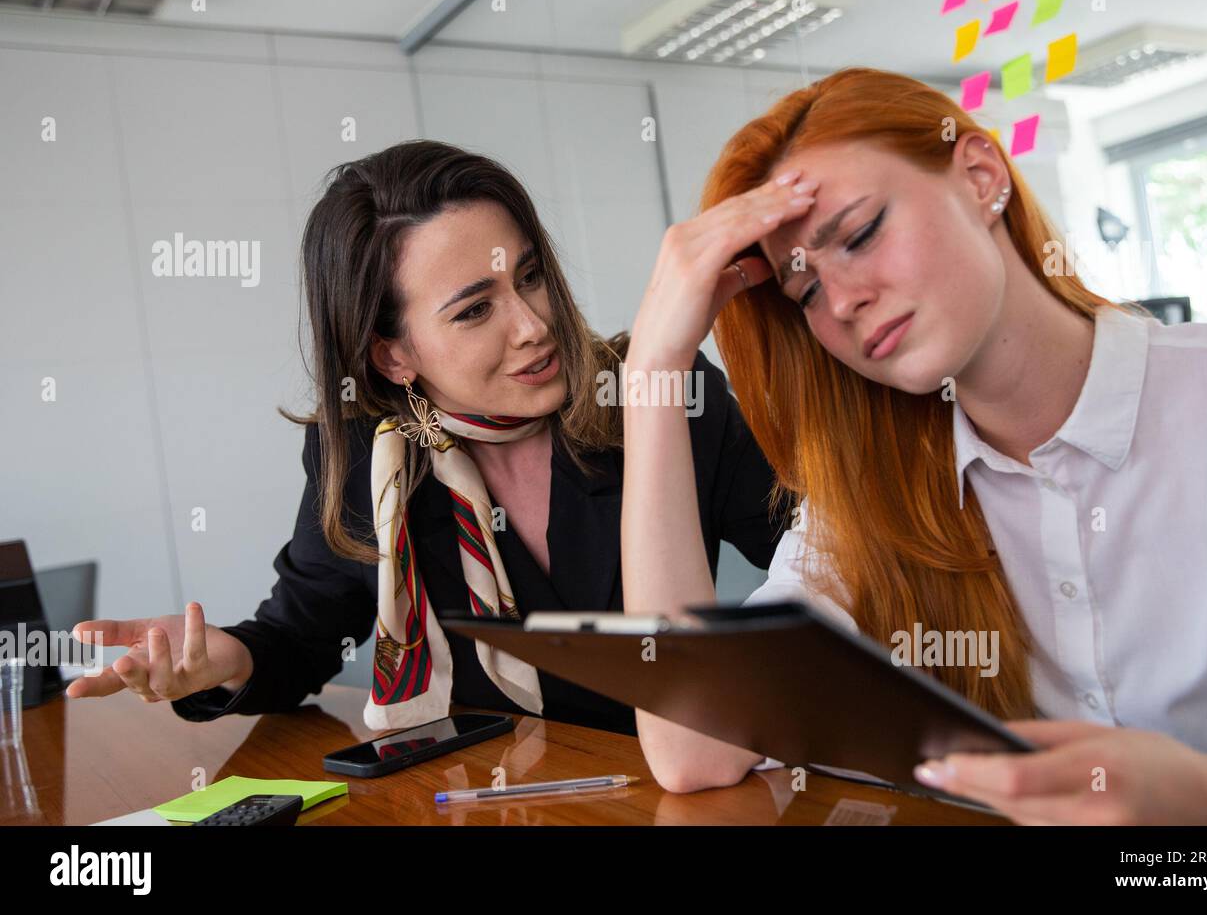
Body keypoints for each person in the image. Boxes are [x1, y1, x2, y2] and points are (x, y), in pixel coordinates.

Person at [620, 67, 1207, 823]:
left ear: (980, 178)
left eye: (860, 233)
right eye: (805, 290)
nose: (842, 301)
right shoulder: (866, 494)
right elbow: (693, 749)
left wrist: (1197, 802)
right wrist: (654, 369)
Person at [68, 141, 788, 736]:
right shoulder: (363, 457)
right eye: (475, 310)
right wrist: (221, 659)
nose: (534, 324)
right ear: (392, 355)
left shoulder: (665, 394)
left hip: (683, 782)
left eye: (530, 275)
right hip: (497, 796)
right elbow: (300, 639)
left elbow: (821, 563)